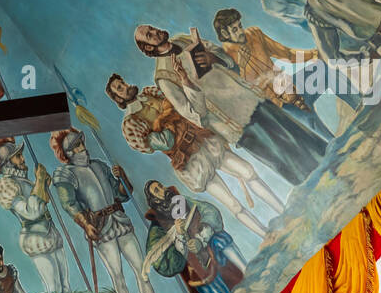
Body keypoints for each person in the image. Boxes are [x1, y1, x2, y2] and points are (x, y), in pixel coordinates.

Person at [135, 23, 320, 186]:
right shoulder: (163, 76)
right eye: (149, 35)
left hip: (246, 95)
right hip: (230, 118)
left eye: (152, 28)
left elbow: (227, 59)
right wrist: (185, 81)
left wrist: (212, 58)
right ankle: (310, 183)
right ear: (148, 47)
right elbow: (192, 113)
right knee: (276, 153)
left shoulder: (182, 40)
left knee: (291, 130)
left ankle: (325, 157)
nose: (155, 32)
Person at [106, 73, 272, 239]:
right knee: (233, 204)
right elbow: (166, 142)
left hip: (203, 139)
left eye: (123, 82)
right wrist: (170, 113)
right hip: (189, 161)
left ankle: (281, 211)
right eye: (119, 88)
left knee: (248, 172)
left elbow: (181, 106)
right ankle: (267, 236)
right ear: (118, 98)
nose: (125, 86)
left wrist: (162, 121)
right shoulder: (131, 124)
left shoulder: (151, 92)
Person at [49, 128, 164, 293]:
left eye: (81, 141)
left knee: (142, 272)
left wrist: (122, 178)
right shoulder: (65, 174)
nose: (82, 146)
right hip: (101, 227)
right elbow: (69, 204)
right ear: (68, 152)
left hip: (119, 220)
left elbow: (122, 194)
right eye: (76, 144)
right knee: (118, 278)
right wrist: (86, 224)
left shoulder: (99, 166)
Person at [212, 8, 332, 144]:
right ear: (224, 33)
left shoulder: (254, 34)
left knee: (327, 67)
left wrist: (315, 54)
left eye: (240, 26)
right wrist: (250, 72)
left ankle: (359, 106)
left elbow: (286, 54)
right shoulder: (227, 60)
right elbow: (248, 94)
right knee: (310, 120)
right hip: (277, 105)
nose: (240, 32)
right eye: (234, 30)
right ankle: (337, 145)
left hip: (289, 85)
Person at [0, 138, 68, 293]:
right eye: (18, 156)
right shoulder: (7, 185)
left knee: (65, 284)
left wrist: (43, 184)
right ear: (8, 162)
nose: (22, 158)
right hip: (35, 237)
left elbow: (41, 203)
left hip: (50, 232)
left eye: (21, 155)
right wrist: (40, 181)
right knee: (54, 288)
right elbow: (31, 212)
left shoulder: (24, 180)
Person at [141, 180, 245, 293]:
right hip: (194, 263)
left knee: (221, 240)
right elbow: (161, 261)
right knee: (208, 283)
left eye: (161, 186)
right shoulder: (158, 223)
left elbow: (210, 211)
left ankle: (248, 275)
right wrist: (179, 234)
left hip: (208, 244)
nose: (162, 190)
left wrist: (201, 239)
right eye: (157, 191)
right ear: (154, 200)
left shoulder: (181, 200)